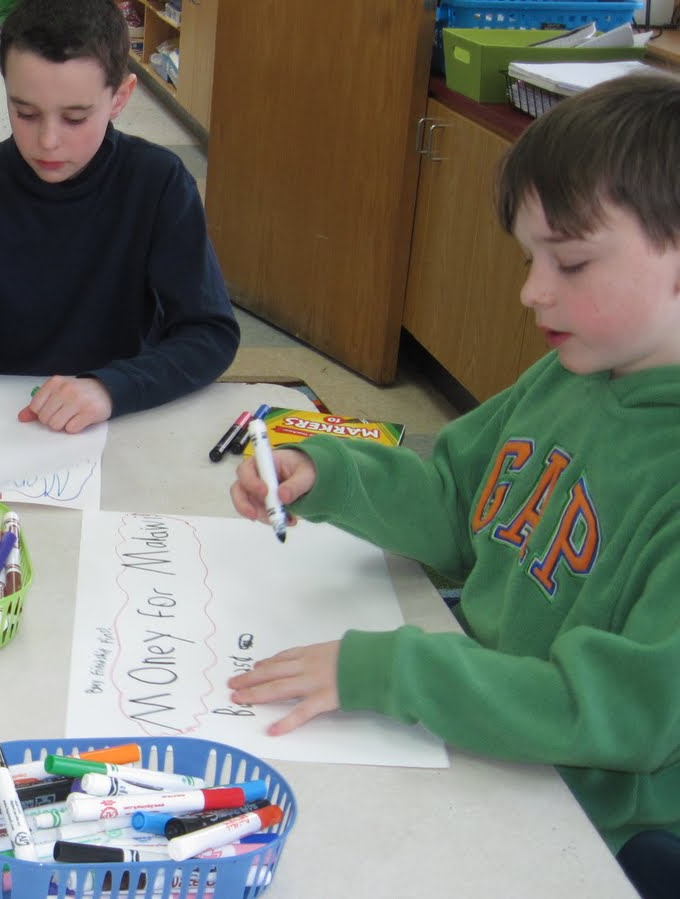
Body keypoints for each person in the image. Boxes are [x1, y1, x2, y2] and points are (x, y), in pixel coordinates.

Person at [225, 73, 680, 899]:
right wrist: (328, 470)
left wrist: (397, 674)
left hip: (590, 825)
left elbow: (617, 714)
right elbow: (454, 504)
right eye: (530, 257)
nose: (532, 291)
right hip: (480, 735)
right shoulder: (570, 373)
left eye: (569, 260)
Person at [0, 0, 238, 463]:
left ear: (121, 96)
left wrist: (111, 388)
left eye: (75, 117)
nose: (48, 141)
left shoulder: (158, 185)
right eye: (26, 113)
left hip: (105, 437)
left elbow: (208, 332)